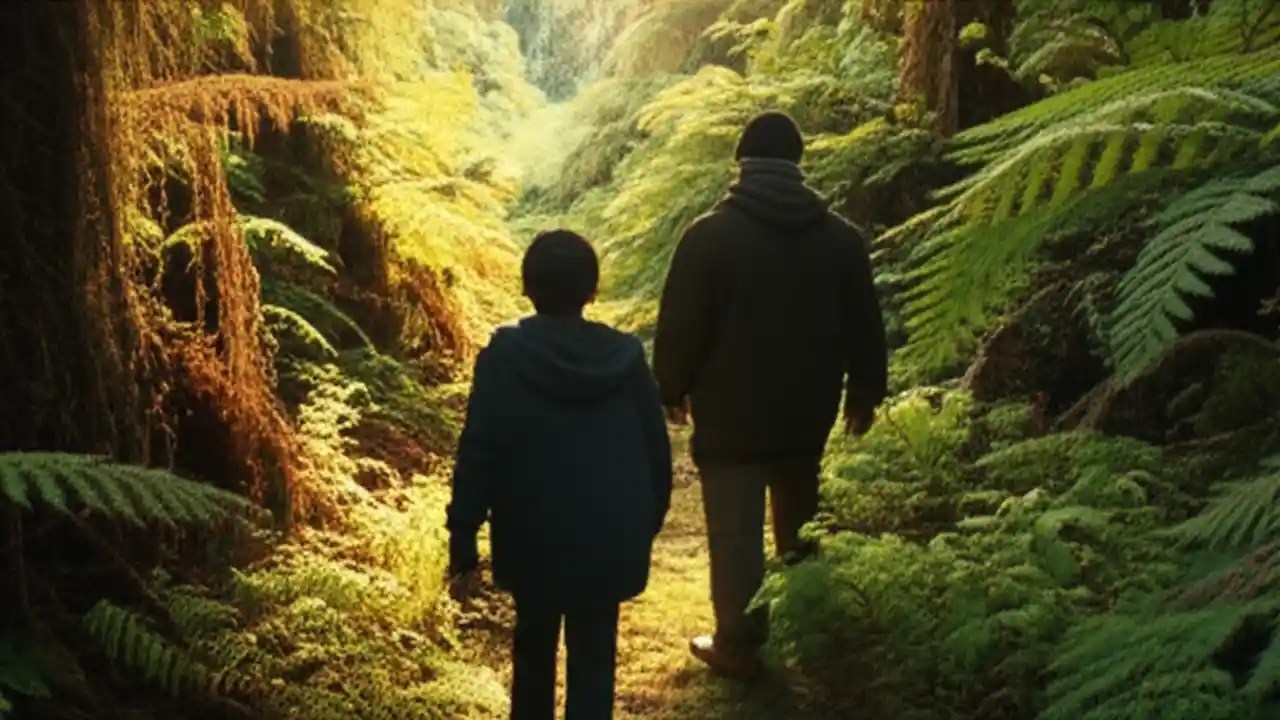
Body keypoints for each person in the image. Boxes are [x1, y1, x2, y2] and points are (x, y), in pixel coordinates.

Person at [653, 111, 888, 678]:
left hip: (730, 418)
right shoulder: (841, 240)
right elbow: (865, 324)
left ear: (742, 164)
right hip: (805, 414)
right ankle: (810, 632)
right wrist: (865, 393)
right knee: (801, 527)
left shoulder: (708, 236)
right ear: (799, 165)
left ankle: (738, 643)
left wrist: (671, 388)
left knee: (735, 536)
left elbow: (682, 321)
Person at [446, 229, 673, 720]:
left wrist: (463, 531)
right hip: (609, 535)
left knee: (532, 650)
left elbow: (479, 447)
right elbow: (656, 447)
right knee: (595, 654)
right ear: (591, 291)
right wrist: (646, 519)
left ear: (527, 286)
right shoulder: (627, 357)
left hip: (532, 536)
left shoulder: (505, 356)